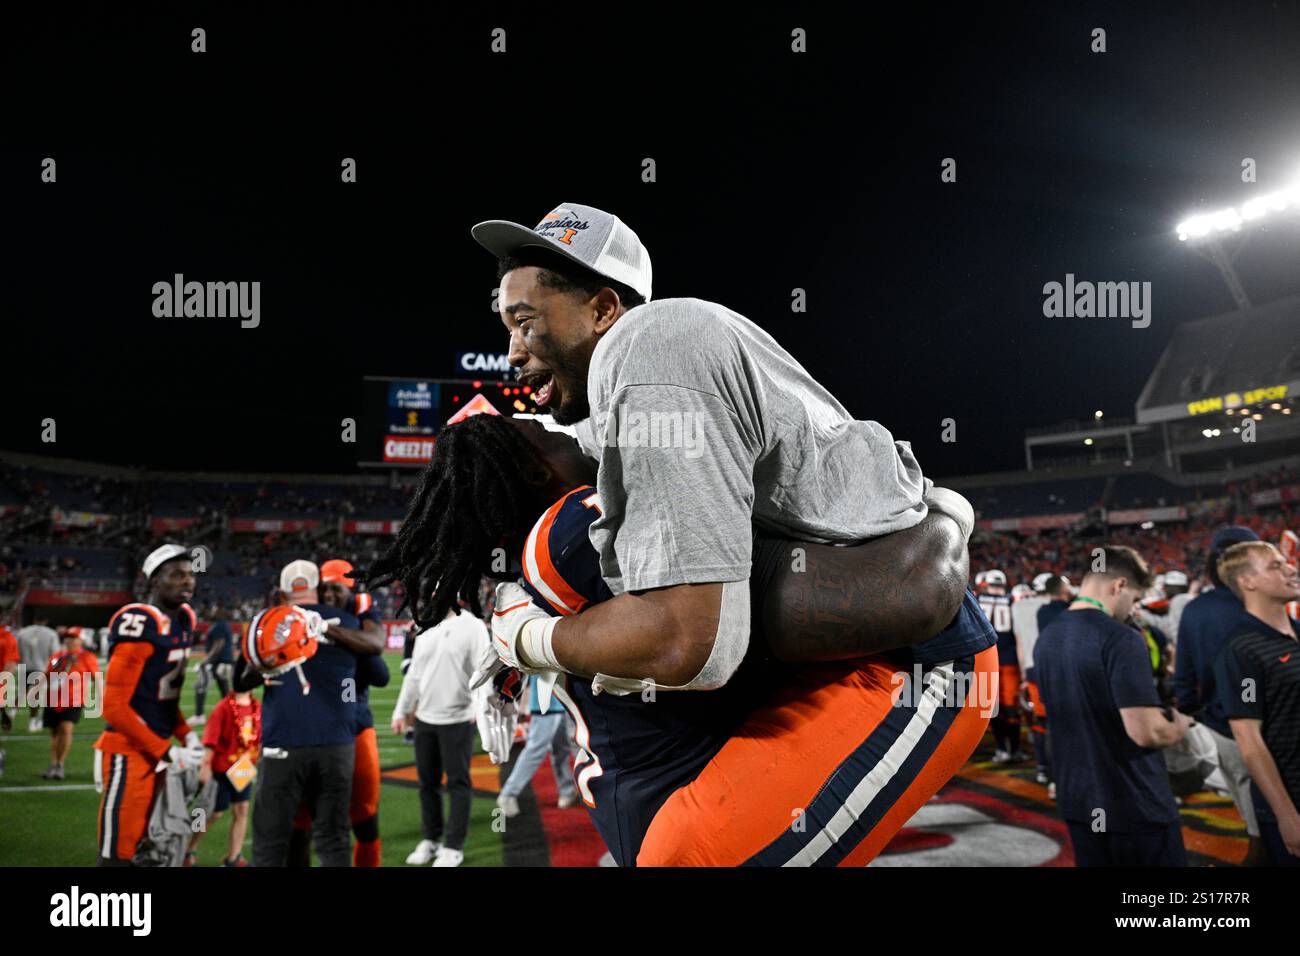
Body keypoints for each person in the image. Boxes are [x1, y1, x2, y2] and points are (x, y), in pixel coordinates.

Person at [368, 413, 996, 866]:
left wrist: (518, 650)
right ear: (538, 471)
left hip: (651, 805)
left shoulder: (524, 566)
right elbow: (907, 594)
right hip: (699, 824)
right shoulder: (580, 524)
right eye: (546, 433)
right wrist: (944, 512)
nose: (565, 428)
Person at [470, 202, 977, 688]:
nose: (513, 352)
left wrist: (527, 637)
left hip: (911, 651)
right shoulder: (619, 392)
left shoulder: (648, 350)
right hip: (874, 612)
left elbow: (690, 647)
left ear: (603, 309)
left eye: (526, 323)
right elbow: (529, 449)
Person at [1035, 545, 1192, 867]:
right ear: (1119, 585)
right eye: (1135, 599)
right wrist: (1179, 727)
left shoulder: (1048, 636)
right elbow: (1145, 732)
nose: (1133, 609)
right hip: (1132, 803)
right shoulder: (1121, 638)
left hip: (1079, 800)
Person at [233, 560, 361, 867]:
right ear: (317, 589)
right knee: (333, 841)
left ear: (281, 592)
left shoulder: (264, 623)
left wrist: (268, 661)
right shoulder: (347, 622)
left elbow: (239, 682)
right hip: (338, 745)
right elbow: (378, 670)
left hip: (283, 743)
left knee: (271, 842)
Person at [94, 544, 205, 865]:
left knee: (152, 851)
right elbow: (113, 706)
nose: (187, 582)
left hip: (157, 751)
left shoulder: (185, 619)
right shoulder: (140, 621)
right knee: (116, 857)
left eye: (190, 575)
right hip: (127, 752)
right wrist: (167, 750)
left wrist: (187, 735)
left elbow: (163, 700)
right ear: (155, 581)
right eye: (177, 575)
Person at [1174, 526, 1265, 864]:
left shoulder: (1196, 610)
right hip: (1278, 724)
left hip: (1223, 723)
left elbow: (1184, 678)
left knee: (1255, 821)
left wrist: (1197, 712)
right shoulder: (1265, 599)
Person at [1214, 541, 1300, 866]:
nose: (1291, 569)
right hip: (1292, 799)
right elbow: (1249, 740)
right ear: (1247, 581)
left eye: (1286, 562)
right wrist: (1287, 816)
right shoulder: (1241, 650)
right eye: (1276, 566)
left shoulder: (1296, 633)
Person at [393, 605, 486, 868]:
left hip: (458, 717)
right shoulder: (426, 627)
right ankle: (431, 839)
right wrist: (401, 711)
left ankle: (453, 846)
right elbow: (414, 675)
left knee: (458, 784)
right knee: (427, 784)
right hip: (425, 718)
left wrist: (480, 707)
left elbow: (484, 669)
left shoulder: (473, 626)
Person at [318, 558, 389, 867]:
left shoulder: (360, 609)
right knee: (315, 821)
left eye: (336, 590)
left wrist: (335, 634)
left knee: (364, 814)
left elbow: (377, 659)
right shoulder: (310, 610)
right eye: (325, 590)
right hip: (316, 725)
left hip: (355, 720)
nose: (329, 596)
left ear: (349, 589)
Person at [187, 687, 261, 867]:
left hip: (243, 768)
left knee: (242, 808)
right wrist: (206, 765)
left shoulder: (256, 707)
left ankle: (233, 857)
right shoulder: (223, 707)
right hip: (220, 769)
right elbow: (210, 739)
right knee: (211, 812)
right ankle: (187, 848)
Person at [496, 672, 579, 818]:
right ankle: (508, 794)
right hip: (548, 699)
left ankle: (567, 791)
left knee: (561, 749)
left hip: (560, 699)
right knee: (536, 750)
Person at [978, 569, 1025, 763]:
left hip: (986, 661)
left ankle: (1000, 749)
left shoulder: (977, 600)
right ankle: (1014, 749)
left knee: (992, 708)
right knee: (1011, 708)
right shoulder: (1013, 601)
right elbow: (1020, 636)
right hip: (1010, 661)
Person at [43, 628, 100, 780]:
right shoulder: (57, 656)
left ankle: (60, 764)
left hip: (74, 699)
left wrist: (101, 697)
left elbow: (96, 678)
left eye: (74, 637)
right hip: (53, 698)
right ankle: (53, 764)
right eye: (68, 637)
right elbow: (48, 673)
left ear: (81, 640)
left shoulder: (87, 657)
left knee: (66, 728)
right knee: (54, 733)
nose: (70, 640)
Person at [192, 607, 234, 722]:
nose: (211, 611)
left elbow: (219, 644)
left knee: (201, 686)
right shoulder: (223, 624)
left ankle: (199, 715)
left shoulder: (219, 625)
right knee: (224, 690)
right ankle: (231, 713)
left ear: (219, 613)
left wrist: (207, 660)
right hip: (225, 661)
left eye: (215, 610)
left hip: (218, 661)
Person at [17, 616, 58, 731]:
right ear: (45, 621)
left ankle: (10, 715)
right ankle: (34, 721)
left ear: (34, 620)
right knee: (41, 696)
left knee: (22, 693)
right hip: (42, 668)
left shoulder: (23, 632)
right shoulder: (51, 634)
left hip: (25, 666)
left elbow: (17, 649)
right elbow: (55, 654)